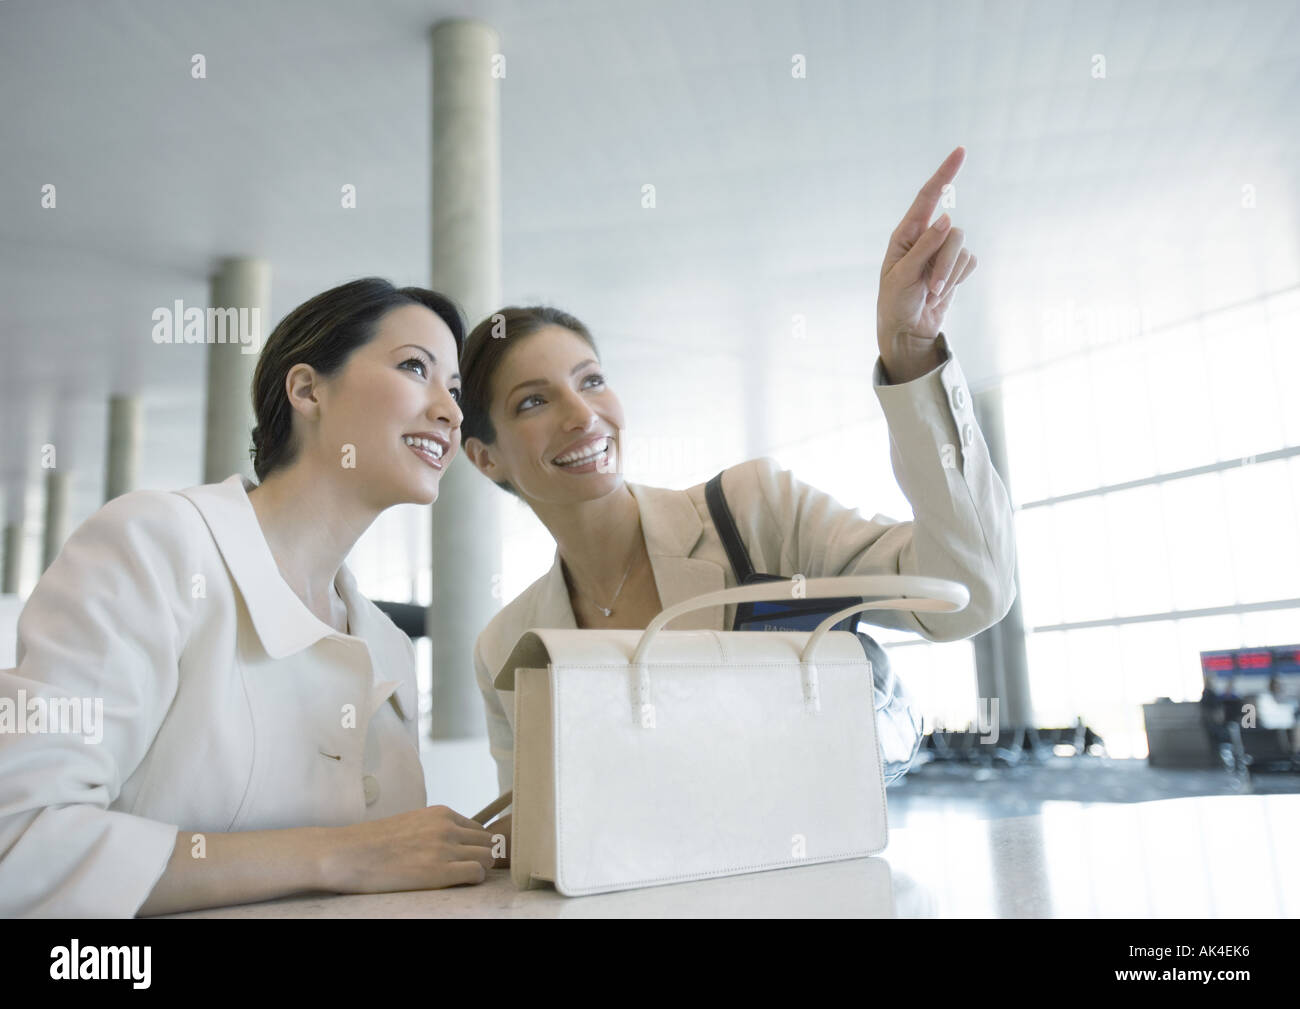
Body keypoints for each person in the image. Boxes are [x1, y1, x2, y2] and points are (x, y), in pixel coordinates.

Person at [459, 148, 1017, 855]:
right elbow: (544, 840)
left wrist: (909, 350)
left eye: (592, 380)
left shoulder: (754, 516)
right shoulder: (505, 648)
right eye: (534, 400)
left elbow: (969, 590)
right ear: (485, 456)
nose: (583, 415)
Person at [0, 278, 498, 917]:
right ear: (307, 389)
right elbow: (20, 840)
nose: (451, 412)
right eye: (413, 368)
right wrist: (340, 854)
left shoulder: (388, 648)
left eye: (455, 392)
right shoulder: (157, 544)